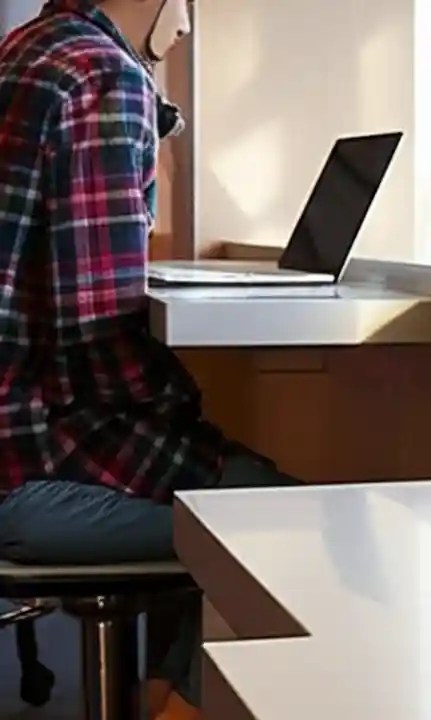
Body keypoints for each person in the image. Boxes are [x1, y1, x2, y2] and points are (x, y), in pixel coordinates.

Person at [0, 2, 297, 718]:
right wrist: (187, 412)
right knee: (288, 520)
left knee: (212, 472)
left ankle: (157, 699)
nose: (187, 22)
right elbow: (100, 343)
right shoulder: (102, 76)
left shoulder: (25, 50)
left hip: (14, 434)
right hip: (22, 468)